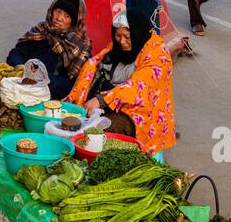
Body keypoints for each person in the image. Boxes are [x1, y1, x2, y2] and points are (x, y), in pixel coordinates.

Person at [67, 10, 176, 156]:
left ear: (137, 34)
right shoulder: (118, 45)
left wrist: (102, 100)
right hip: (112, 98)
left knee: (100, 133)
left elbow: (138, 86)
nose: (122, 42)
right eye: (117, 36)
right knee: (74, 119)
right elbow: (98, 63)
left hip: (137, 110)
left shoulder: (158, 54)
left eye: (127, 37)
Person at [5, 0, 91, 99]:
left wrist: (41, 79)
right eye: (58, 11)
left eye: (67, 16)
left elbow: (71, 85)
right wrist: (21, 68)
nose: (59, 18)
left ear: (73, 22)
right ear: (51, 11)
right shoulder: (40, 30)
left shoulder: (79, 46)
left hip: (49, 95)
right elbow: (16, 52)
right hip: (22, 82)